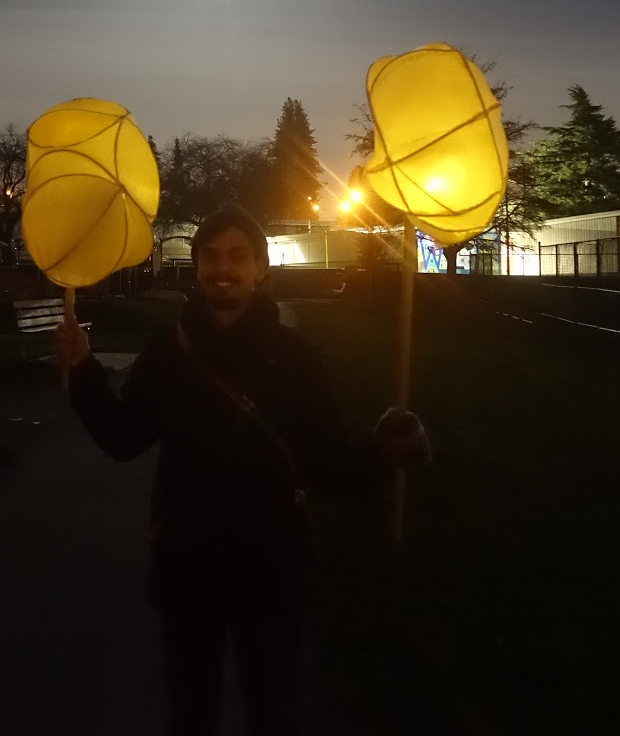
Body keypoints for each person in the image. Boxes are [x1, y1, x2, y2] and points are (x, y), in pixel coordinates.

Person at [57, 205, 431, 736]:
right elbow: (124, 439)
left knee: (272, 706)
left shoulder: (294, 356)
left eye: (237, 256)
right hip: (187, 562)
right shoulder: (169, 353)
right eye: (210, 256)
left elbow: (326, 463)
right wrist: (84, 374)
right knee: (192, 710)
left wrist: (386, 454)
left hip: (272, 564)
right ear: (197, 266)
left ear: (261, 267)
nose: (222, 267)